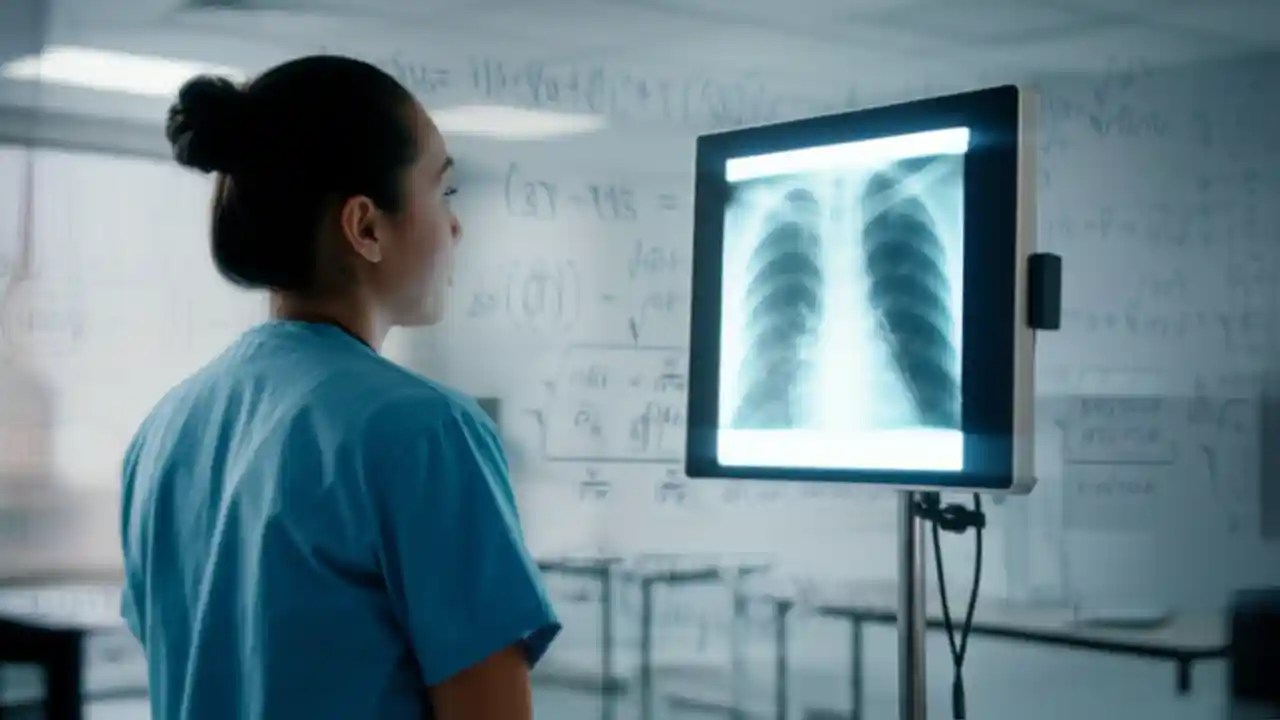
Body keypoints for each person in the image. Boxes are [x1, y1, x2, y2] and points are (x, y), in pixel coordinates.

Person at [118, 55, 560, 720]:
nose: (456, 227)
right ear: (366, 227)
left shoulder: (164, 431)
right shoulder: (426, 433)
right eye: (443, 194)